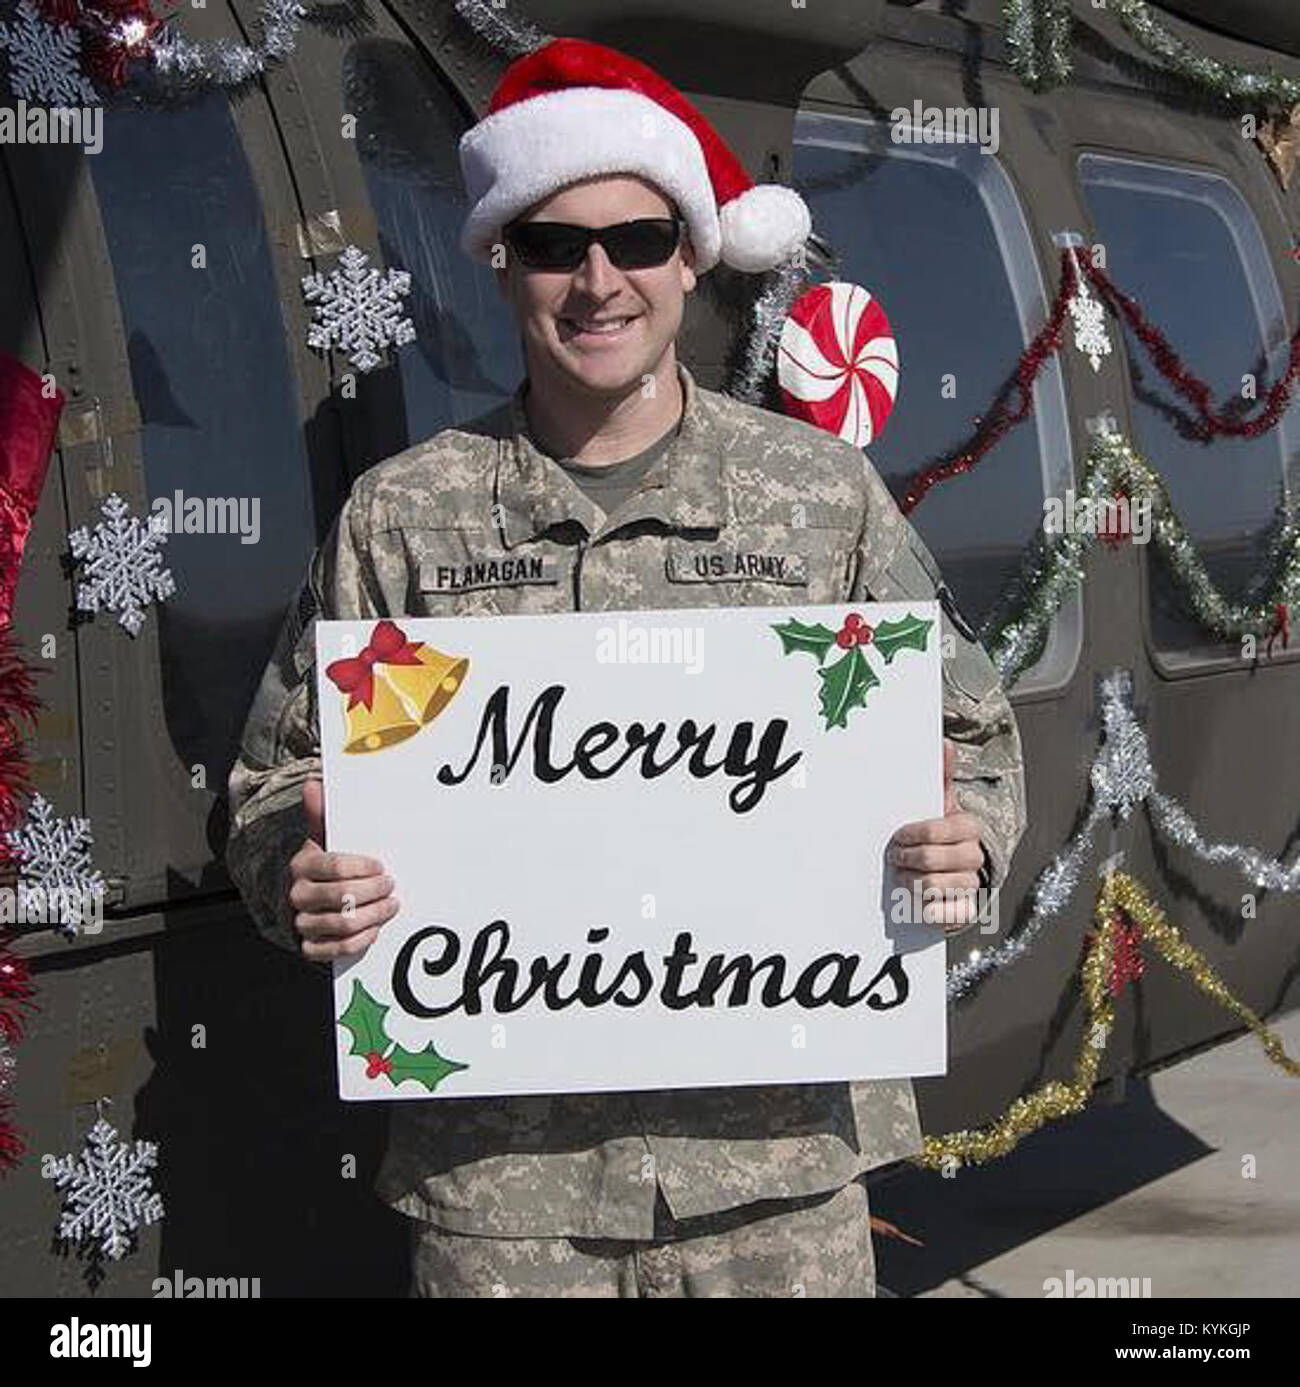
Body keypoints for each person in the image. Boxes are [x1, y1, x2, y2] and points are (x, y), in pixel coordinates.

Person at [226, 36, 1026, 1298]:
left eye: (637, 241)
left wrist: (959, 841)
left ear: (692, 256)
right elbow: (278, 789)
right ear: (503, 260)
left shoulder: (817, 498)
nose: (598, 281)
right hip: (505, 1193)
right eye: (554, 245)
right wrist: (303, 880)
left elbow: (967, 737)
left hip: (780, 1170)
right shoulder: (403, 521)